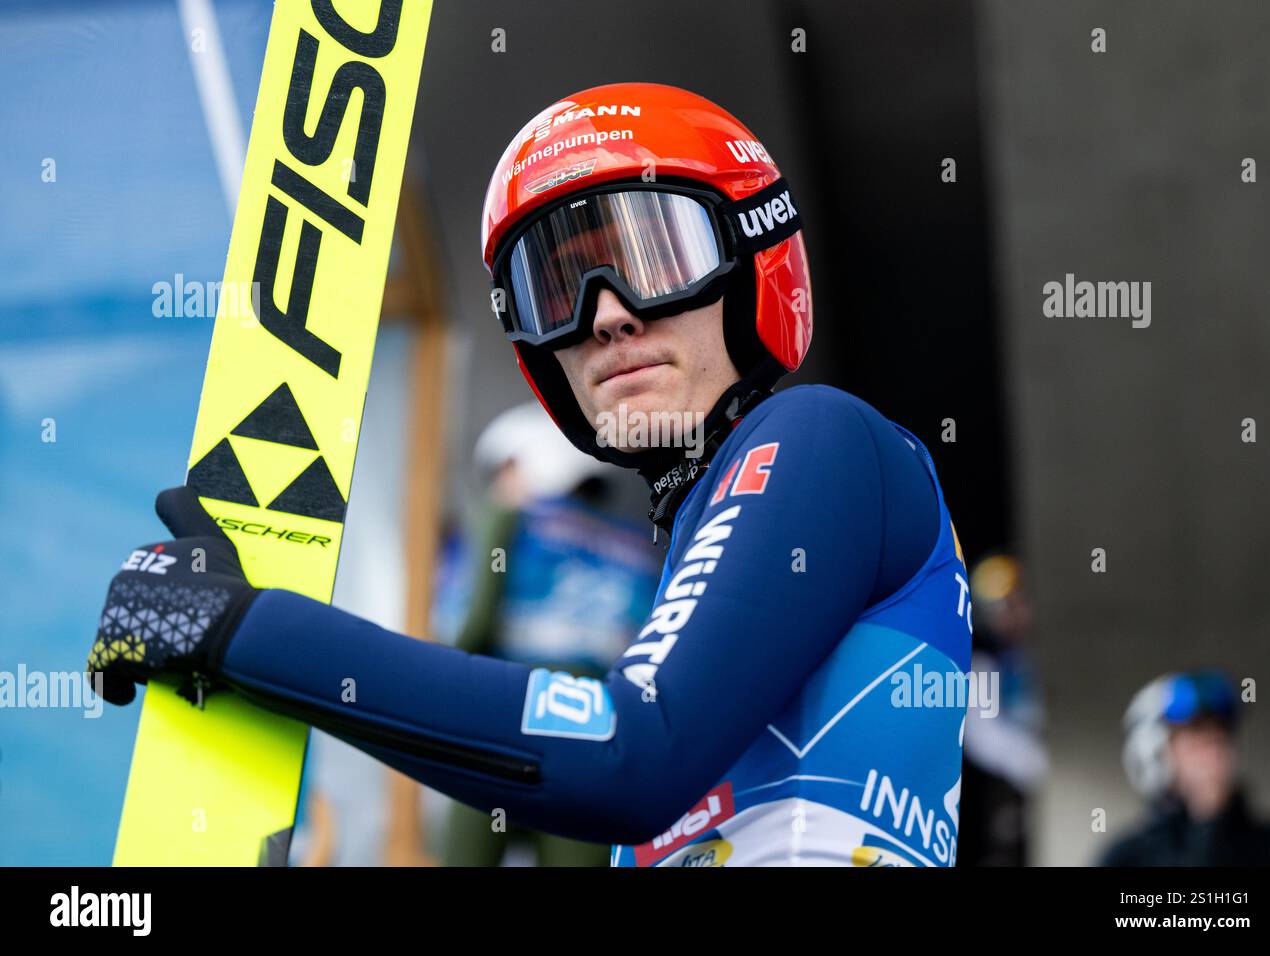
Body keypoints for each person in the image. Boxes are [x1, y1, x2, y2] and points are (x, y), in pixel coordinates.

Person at [87, 82, 972, 866]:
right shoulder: (690, 574)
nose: (609, 315)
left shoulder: (825, 438)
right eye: (559, 286)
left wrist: (243, 633)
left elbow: (624, 754)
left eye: (657, 256)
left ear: (753, 261)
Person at [440, 404, 659, 865]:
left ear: (533, 461)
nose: (500, 485)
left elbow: (473, 622)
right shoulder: (637, 544)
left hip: (504, 714)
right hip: (596, 725)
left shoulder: (509, 519)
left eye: (507, 469)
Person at [1098, 670, 1270, 867]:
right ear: (1157, 755)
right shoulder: (1126, 856)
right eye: (1197, 746)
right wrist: (1206, 820)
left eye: (1220, 743)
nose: (1213, 756)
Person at [958, 553, 1046, 866]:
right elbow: (984, 740)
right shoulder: (981, 665)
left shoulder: (1037, 656)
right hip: (1007, 793)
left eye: (1019, 602)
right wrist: (1042, 765)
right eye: (1004, 607)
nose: (1015, 613)